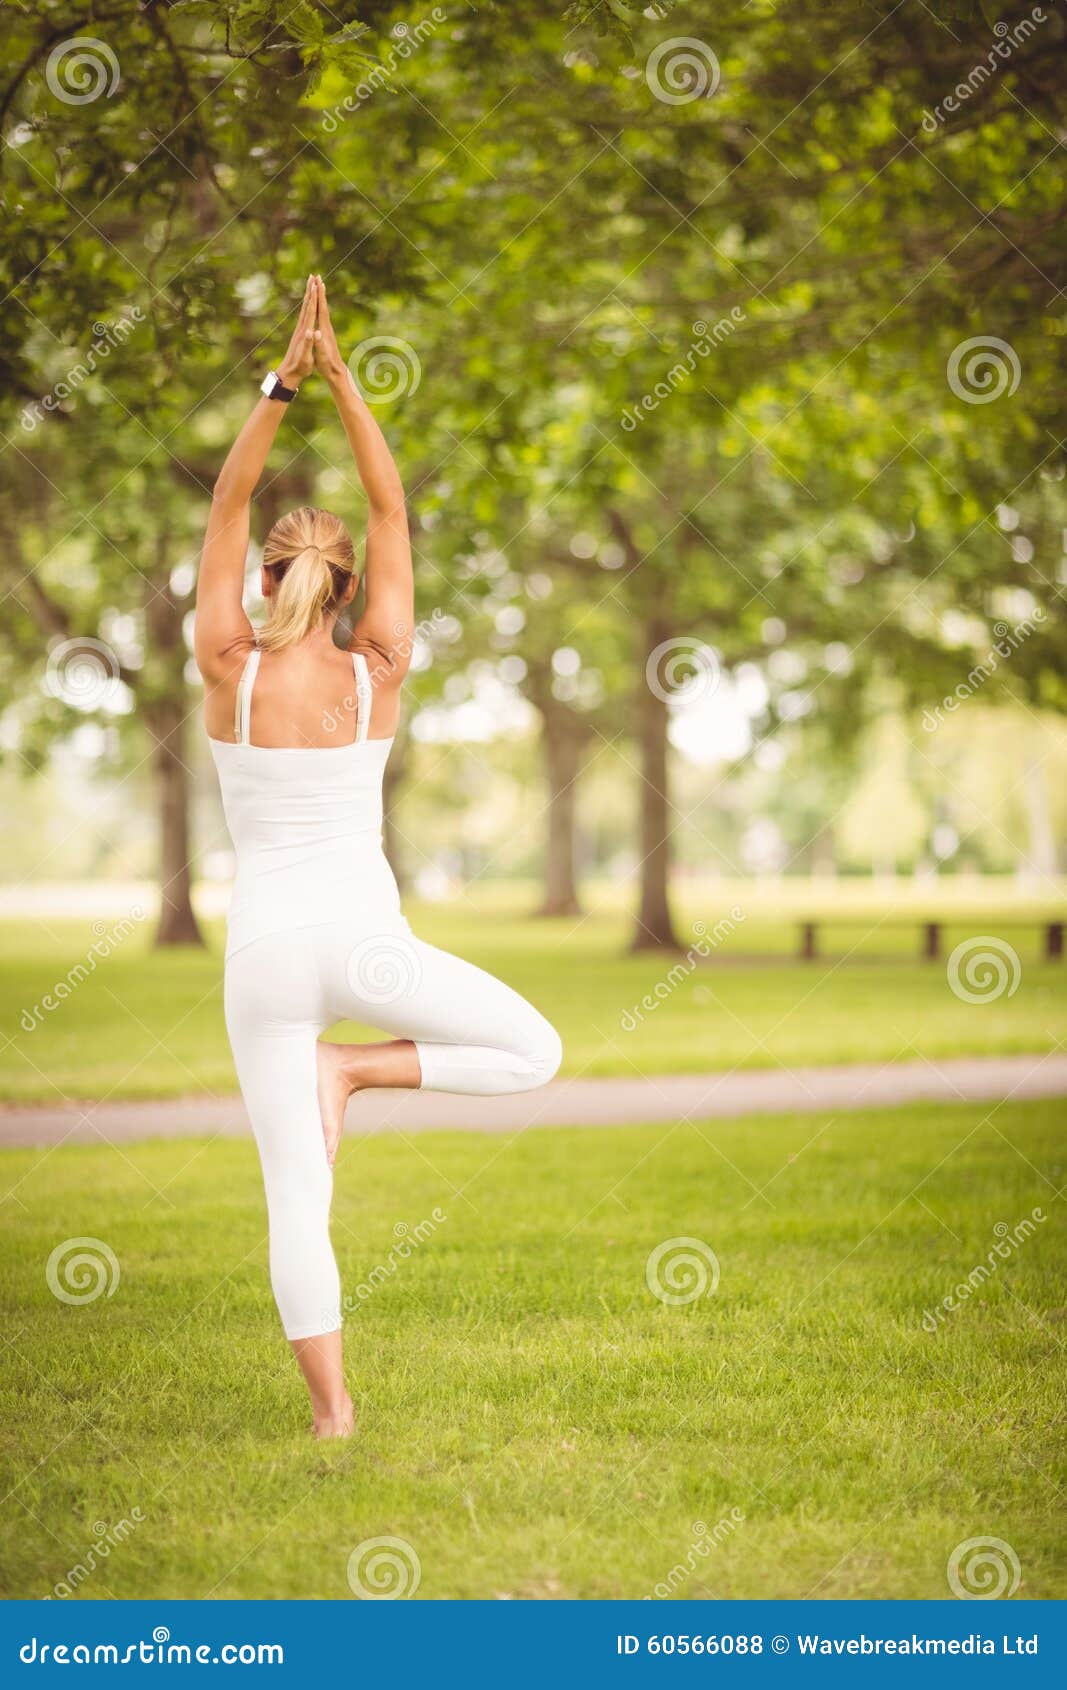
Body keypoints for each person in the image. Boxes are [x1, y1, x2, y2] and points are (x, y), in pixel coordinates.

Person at [194, 276, 562, 1438]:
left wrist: (279, 386)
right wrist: (345, 384)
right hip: (367, 955)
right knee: (530, 1051)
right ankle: (355, 1069)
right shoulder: (376, 670)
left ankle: (333, 1415)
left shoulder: (225, 664)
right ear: (349, 584)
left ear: (266, 578)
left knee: (293, 1194)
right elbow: (394, 514)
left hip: (261, 957)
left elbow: (225, 503)